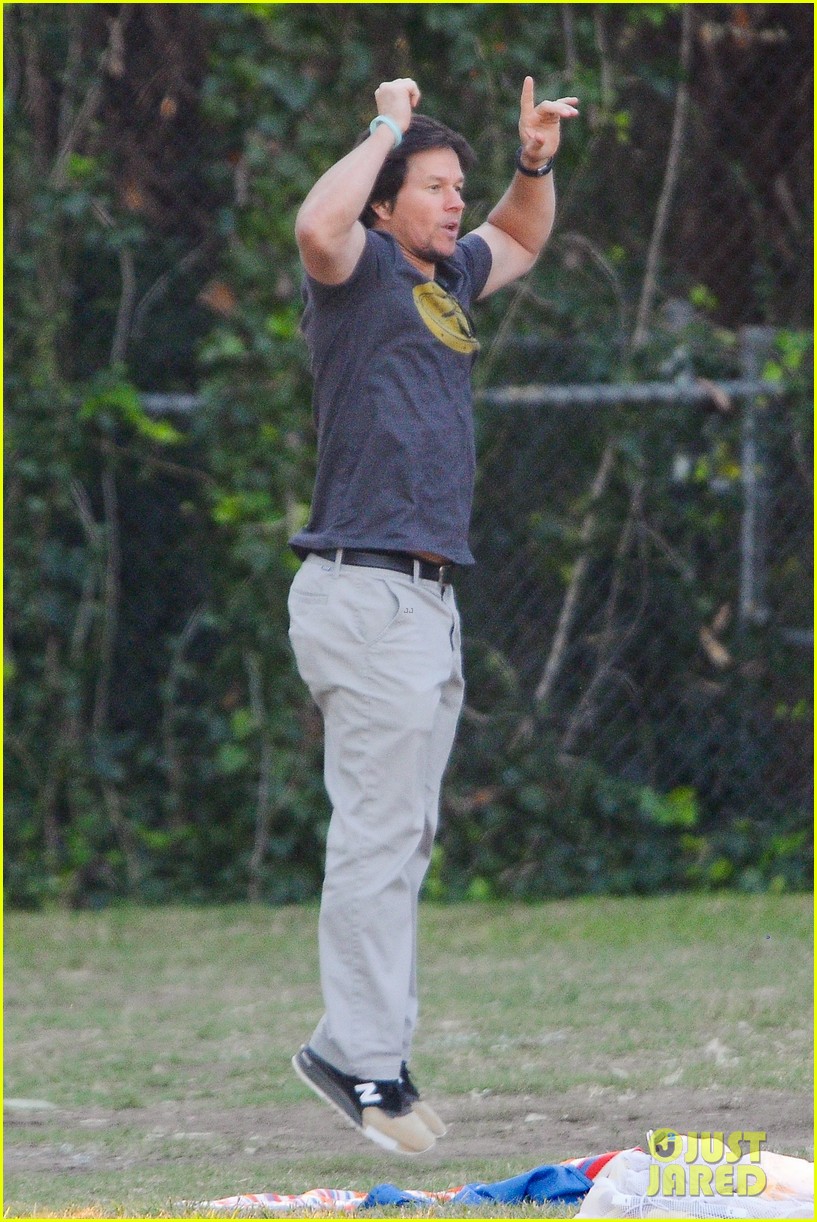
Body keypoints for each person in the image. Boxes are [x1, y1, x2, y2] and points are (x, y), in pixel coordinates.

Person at [288, 76, 579, 1155]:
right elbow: (316, 220)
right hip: (364, 589)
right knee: (375, 837)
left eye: (459, 185)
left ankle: (376, 1057)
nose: (458, 204)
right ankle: (358, 1063)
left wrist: (532, 163)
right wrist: (381, 125)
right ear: (385, 201)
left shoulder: (447, 275)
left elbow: (522, 237)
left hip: (420, 598)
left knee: (401, 836)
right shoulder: (355, 269)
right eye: (435, 186)